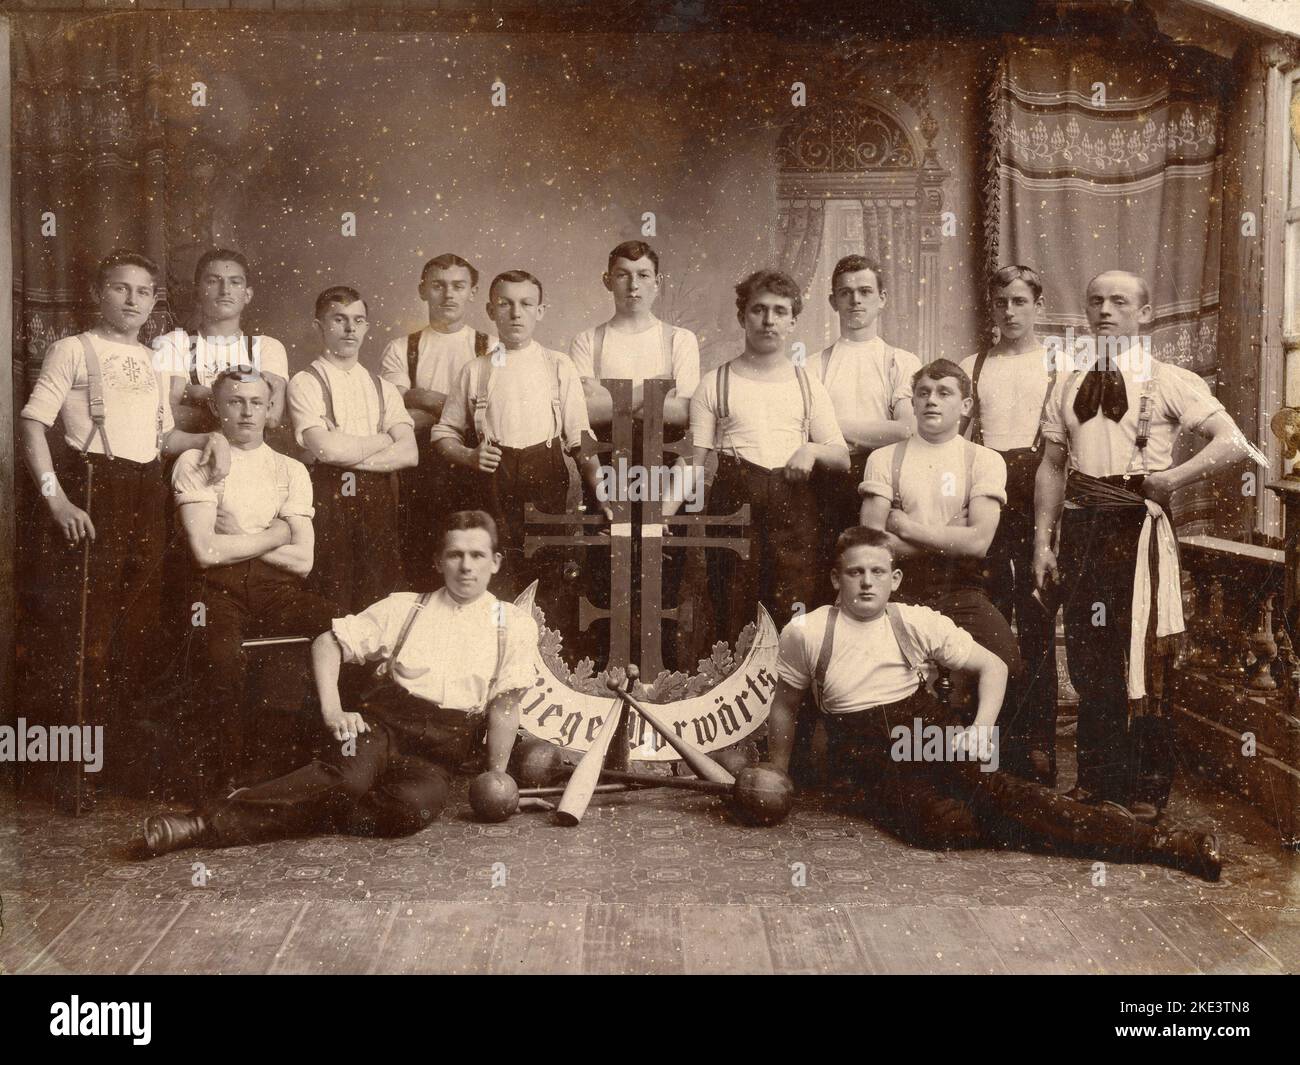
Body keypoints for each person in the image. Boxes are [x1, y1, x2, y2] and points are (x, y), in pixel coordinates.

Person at [764, 526, 1221, 881]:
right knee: (943, 826)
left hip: (921, 728)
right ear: (835, 577)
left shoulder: (916, 621)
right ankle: (1087, 821)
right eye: (855, 572)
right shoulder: (807, 632)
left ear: (895, 578)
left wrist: (980, 727)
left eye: (877, 572)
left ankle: (1168, 843)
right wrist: (779, 774)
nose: (866, 583)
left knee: (1003, 795)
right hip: (865, 751)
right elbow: (785, 705)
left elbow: (994, 667)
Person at [141, 510, 541, 854]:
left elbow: (505, 705)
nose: (466, 566)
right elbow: (328, 642)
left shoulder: (515, 625)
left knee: (408, 811)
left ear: (496, 562)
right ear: (438, 561)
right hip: (380, 725)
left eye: (477, 555)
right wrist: (333, 709)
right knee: (346, 778)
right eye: (455, 555)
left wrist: (497, 776)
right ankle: (201, 825)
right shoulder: (405, 607)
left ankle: (289, 801)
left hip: (439, 749)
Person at [1033, 270, 1252, 819]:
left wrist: (1174, 480)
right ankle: (1096, 780)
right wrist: (1043, 538)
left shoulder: (1169, 379)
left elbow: (1234, 443)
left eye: (1119, 301)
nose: (1105, 310)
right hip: (1083, 527)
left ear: (1145, 313)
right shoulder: (1066, 380)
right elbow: (1053, 466)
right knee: (1088, 653)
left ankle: (1146, 788)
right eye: (1096, 300)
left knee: (1146, 656)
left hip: (1140, 529)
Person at [19, 249, 233, 801]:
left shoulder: (150, 361)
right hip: (93, 493)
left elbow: (163, 442)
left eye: (144, 292)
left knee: (135, 634)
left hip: (145, 497)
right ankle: (67, 774)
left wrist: (211, 437)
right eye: (121, 289)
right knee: (84, 636)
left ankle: (118, 768)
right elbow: (32, 425)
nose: (134, 301)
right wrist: (57, 501)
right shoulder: (73, 349)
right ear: (98, 294)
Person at [859, 360, 1043, 781]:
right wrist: (949, 534)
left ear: (965, 405)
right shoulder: (885, 458)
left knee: (1006, 659)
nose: (931, 401)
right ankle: (899, 770)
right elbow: (871, 542)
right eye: (922, 392)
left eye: (943, 392)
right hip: (900, 590)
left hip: (961, 588)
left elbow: (978, 543)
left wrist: (905, 526)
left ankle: (993, 768)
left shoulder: (984, 459)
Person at [171, 367, 338, 802]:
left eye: (256, 403)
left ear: (269, 409)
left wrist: (239, 534)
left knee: (335, 625)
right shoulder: (196, 461)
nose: (246, 412)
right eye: (234, 402)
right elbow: (205, 553)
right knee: (221, 656)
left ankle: (306, 765)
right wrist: (274, 533)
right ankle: (226, 780)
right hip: (214, 590)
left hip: (276, 588)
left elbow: (303, 561)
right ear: (215, 407)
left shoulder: (290, 470)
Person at [680, 269, 849, 647]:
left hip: (795, 510)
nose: (768, 320)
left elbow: (841, 458)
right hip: (733, 509)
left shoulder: (808, 385)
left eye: (779, 311)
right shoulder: (714, 382)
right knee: (732, 609)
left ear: (792, 321)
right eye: (758, 310)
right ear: (742, 317)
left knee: (795, 611)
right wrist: (660, 514)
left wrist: (811, 449)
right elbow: (693, 460)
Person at [433, 270, 607, 618]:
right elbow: (443, 434)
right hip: (493, 479)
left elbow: (580, 438)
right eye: (505, 304)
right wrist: (469, 455)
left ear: (540, 310)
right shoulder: (476, 370)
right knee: (493, 576)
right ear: (490, 310)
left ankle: (540, 664)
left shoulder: (558, 365)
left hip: (545, 475)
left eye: (526, 304)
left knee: (547, 577)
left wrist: (603, 493)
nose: (516, 313)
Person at [569, 240, 701, 665]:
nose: (633, 285)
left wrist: (616, 395)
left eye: (643, 275)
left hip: (665, 466)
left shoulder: (679, 339)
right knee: (605, 574)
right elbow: (585, 410)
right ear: (608, 280)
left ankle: (659, 682)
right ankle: (603, 686)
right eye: (623, 274)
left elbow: (684, 408)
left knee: (663, 577)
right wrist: (653, 387)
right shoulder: (587, 340)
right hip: (607, 468)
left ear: (657, 284)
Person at [959, 265, 1060, 784]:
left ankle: (1039, 748)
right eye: (1002, 302)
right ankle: (989, 746)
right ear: (992, 307)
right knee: (987, 617)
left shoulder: (1061, 365)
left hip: (1041, 491)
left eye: (1021, 301)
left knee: (1038, 618)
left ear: (1038, 306)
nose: (1011, 312)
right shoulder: (972, 365)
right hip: (987, 493)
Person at [288, 286, 416, 613]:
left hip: (379, 506)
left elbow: (409, 454)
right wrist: (383, 438)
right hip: (329, 505)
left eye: (358, 320)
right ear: (319, 327)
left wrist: (344, 445)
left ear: (366, 328)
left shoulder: (384, 387)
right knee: (333, 600)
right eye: (339, 319)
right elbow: (326, 451)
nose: (350, 329)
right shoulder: (305, 382)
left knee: (380, 602)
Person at [380, 253, 492, 584]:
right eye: (438, 286)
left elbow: (488, 416)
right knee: (421, 558)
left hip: (476, 466)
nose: (449, 295)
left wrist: (420, 397)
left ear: (472, 292)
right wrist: (457, 407)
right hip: (420, 472)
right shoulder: (402, 348)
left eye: (458, 286)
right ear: (422, 290)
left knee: (473, 559)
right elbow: (395, 416)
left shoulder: (490, 346)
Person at [813, 255, 918, 589]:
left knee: (875, 574)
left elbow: (905, 429)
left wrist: (831, 426)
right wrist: (873, 431)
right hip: (827, 482)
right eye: (845, 292)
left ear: (881, 299)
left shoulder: (900, 361)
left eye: (865, 291)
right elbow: (804, 430)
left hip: (881, 481)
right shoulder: (814, 365)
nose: (855, 300)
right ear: (833, 301)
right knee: (827, 574)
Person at [154, 249, 291, 436]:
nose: (225, 290)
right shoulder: (173, 343)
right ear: (197, 292)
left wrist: (198, 394)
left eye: (235, 282)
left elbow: (271, 417)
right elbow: (165, 417)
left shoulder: (267, 347)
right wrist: (241, 407)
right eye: (213, 281)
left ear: (248, 295)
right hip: (192, 456)